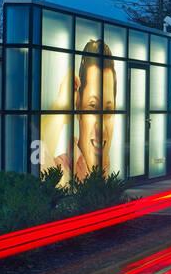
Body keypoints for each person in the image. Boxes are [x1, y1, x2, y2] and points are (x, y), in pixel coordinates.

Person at [39, 40, 117, 187]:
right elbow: (34, 161)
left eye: (108, 111)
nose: (100, 128)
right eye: (93, 107)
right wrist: (61, 106)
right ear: (78, 110)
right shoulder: (61, 169)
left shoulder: (110, 168)